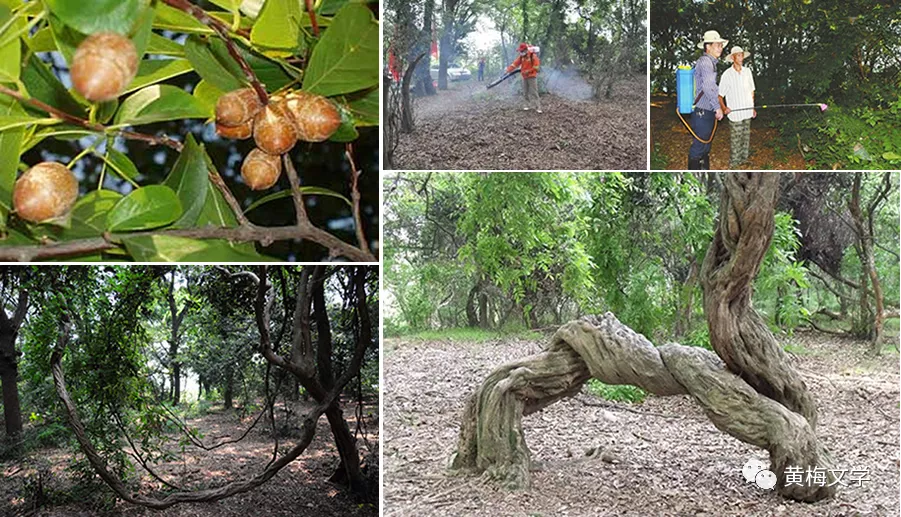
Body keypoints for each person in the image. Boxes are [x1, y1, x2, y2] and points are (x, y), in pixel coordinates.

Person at [688, 30, 726, 170]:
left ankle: (704, 169)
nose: (720, 48)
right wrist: (717, 107)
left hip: (707, 110)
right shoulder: (705, 62)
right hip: (702, 111)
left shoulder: (711, 62)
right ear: (708, 46)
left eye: (721, 46)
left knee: (706, 145)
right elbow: (709, 85)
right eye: (718, 45)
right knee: (699, 144)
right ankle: (695, 169)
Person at [718, 46, 756, 168]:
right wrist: (724, 108)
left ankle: (744, 160)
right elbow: (719, 95)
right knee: (736, 140)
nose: (741, 58)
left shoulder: (748, 72)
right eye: (738, 55)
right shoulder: (727, 75)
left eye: (742, 55)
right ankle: (734, 164)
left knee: (746, 137)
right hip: (735, 114)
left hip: (747, 111)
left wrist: (752, 107)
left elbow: (752, 91)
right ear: (733, 58)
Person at [507, 43, 541, 113]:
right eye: (520, 51)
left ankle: (538, 107)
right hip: (524, 77)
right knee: (525, 92)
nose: (521, 52)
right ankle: (526, 105)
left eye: (522, 51)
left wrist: (528, 71)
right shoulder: (521, 57)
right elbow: (515, 64)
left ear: (526, 50)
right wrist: (508, 70)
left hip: (532, 76)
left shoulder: (533, 56)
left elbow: (536, 67)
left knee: (534, 92)